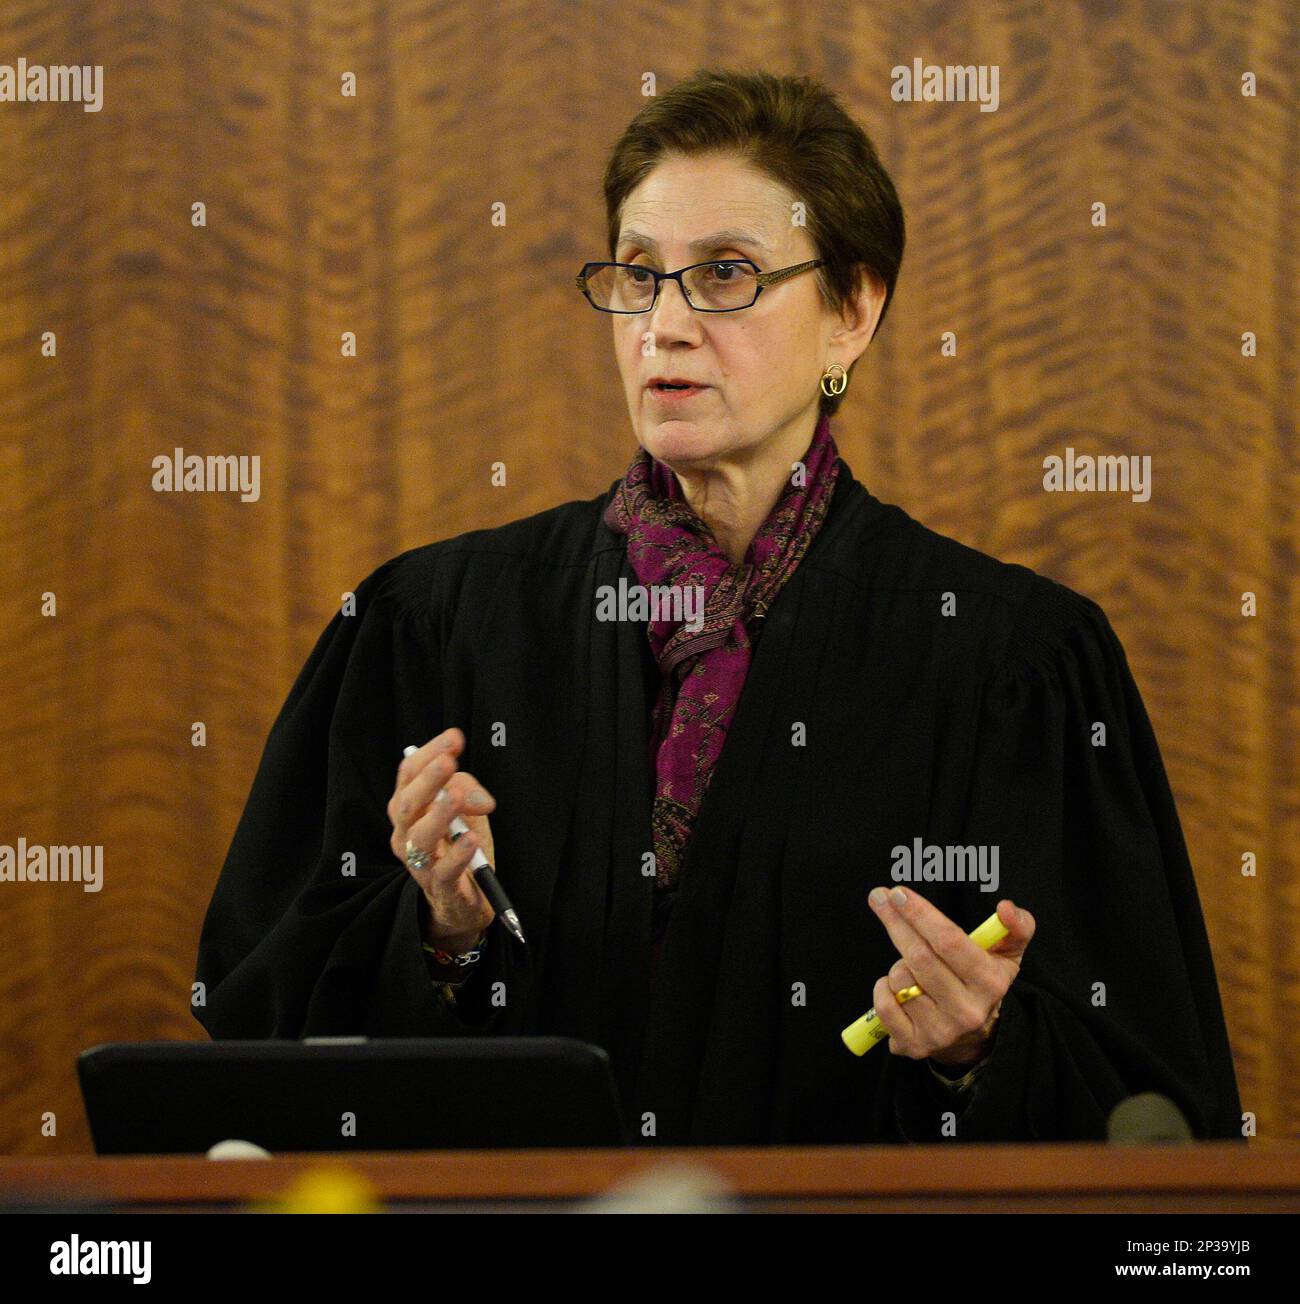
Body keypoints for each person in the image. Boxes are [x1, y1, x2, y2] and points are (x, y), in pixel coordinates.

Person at [194, 68, 1242, 1145]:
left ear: (853, 309)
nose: (665, 323)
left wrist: (982, 1049)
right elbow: (257, 1038)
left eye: (727, 274)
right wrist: (442, 934)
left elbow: (1153, 1108)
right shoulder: (434, 625)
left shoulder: (1011, 661)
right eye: (639, 274)